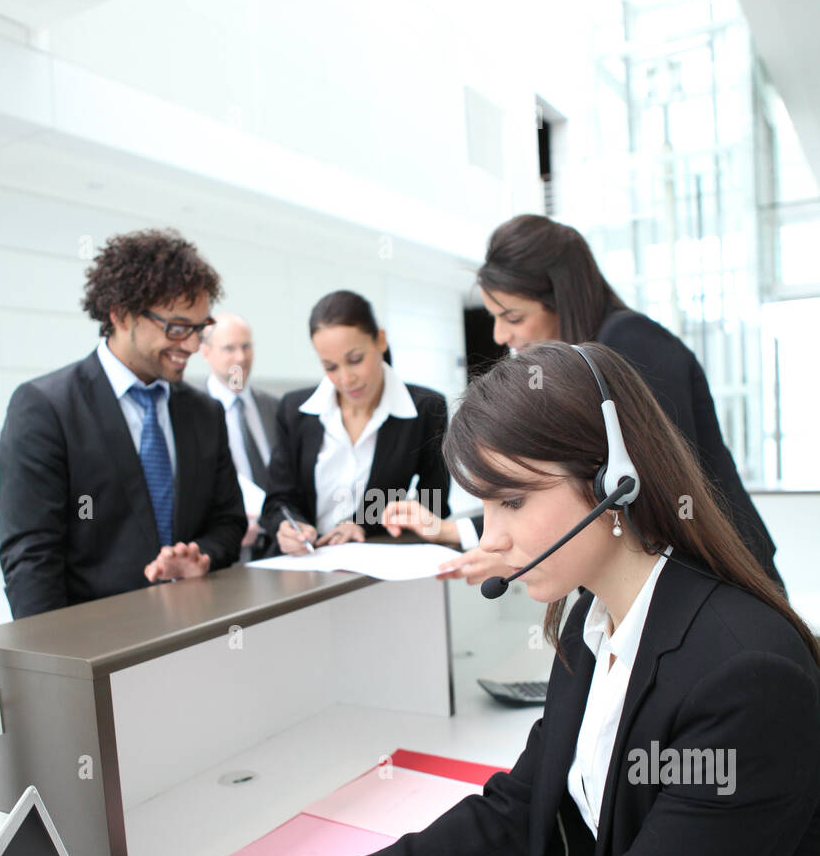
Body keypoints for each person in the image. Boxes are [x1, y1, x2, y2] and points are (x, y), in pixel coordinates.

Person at [154, 342, 818, 856]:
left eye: (510, 502)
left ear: (613, 480)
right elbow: (515, 809)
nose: (490, 538)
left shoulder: (743, 679)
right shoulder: (594, 619)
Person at [384, 214, 782, 591]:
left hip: (713, 572)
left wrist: (527, 554)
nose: (500, 334)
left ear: (560, 299)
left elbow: (651, 488)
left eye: (512, 317)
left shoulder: (633, 345)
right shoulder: (582, 367)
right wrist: (461, 532)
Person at [0, 229, 247, 618]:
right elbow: (32, 558)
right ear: (120, 313)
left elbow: (228, 523)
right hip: (97, 645)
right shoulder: (46, 409)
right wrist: (55, 666)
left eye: (199, 329)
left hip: (195, 630)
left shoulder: (203, 412)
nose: (193, 346)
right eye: (177, 328)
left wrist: (202, 557)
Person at [259, 291, 451, 554]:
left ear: (380, 341)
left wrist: (363, 524)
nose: (346, 379)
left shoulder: (426, 409)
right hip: (304, 564)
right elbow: (277, 501)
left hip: (378, 561)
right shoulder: (294, 411)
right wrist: (288, 526)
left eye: (355, 360)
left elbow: (434, 503)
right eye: (330, 366)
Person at [199, 313, 279, 556]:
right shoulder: (192, 415)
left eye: (246, 346)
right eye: (229, 348)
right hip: (229, 550)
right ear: (206, 352)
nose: (241, 357)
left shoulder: (274, 408)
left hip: (280, 547)